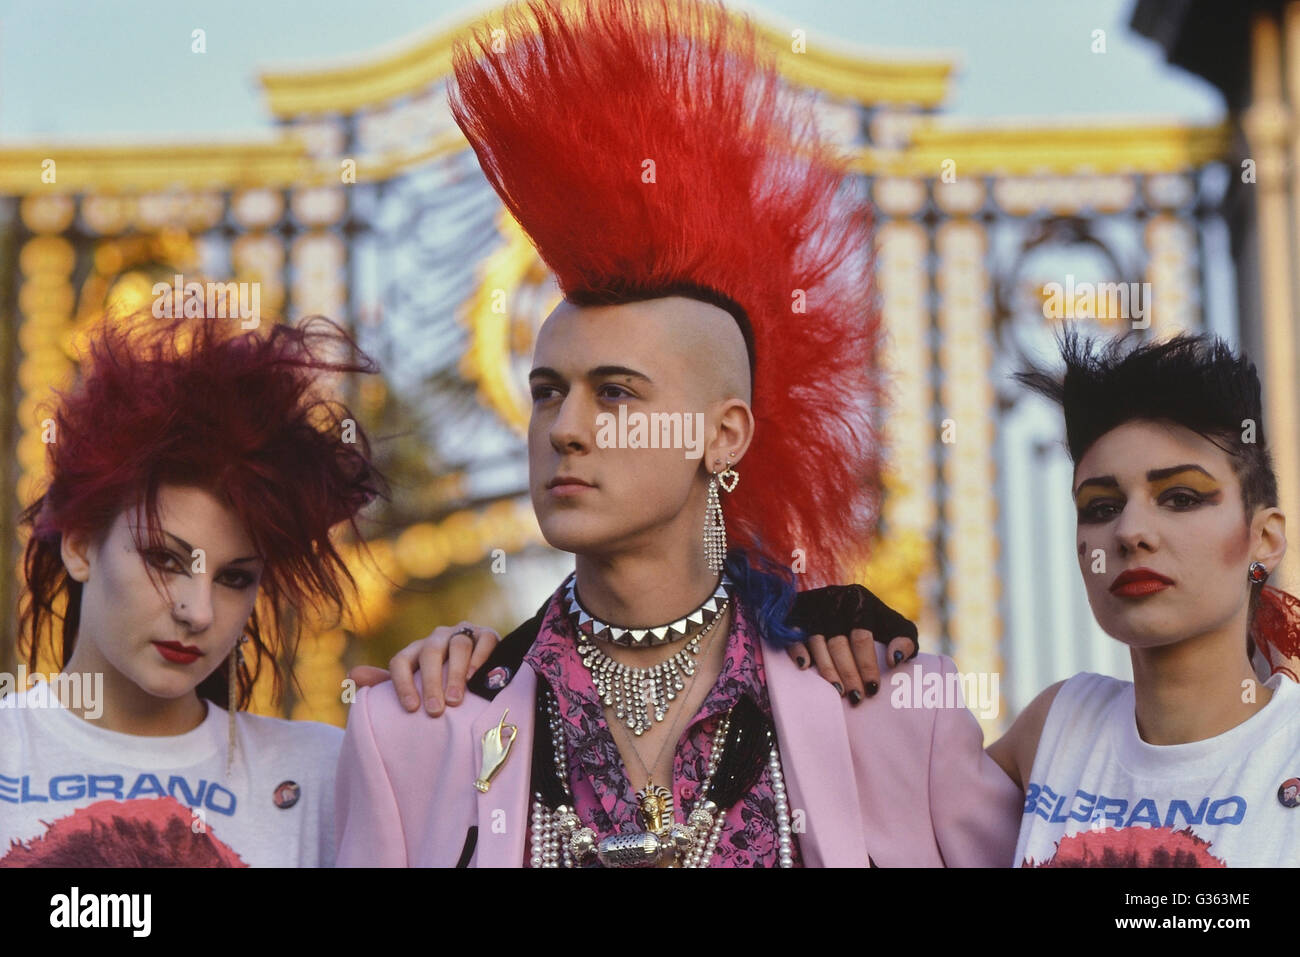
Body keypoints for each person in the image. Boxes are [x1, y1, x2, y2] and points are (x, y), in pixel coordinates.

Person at [334, 0, 1021, 868]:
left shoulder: (891, 710)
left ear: (724, 434)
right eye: (548, 392)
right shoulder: (419, 731)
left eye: (615, 393)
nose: (566, 428)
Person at [0, 307, 487, 867]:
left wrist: (462, 719)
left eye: (234, 578)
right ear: (81, 544)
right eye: (165, 558)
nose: (198, 611)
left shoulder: (323, 776)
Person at [989, 332, 1300, 867]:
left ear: (1264, 540)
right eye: (1102, 506)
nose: (1131, 532)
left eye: (1181, 498)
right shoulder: (1055, 729)